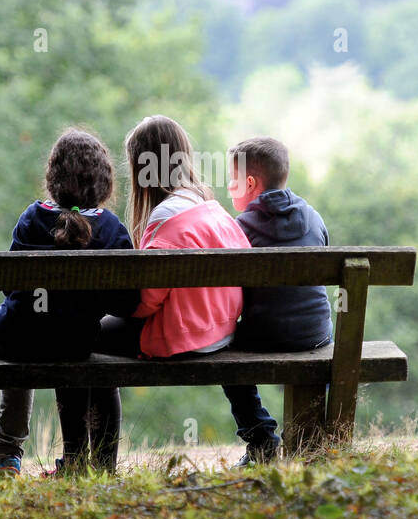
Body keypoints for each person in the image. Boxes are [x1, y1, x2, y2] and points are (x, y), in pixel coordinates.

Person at [0, 128, 139, 476]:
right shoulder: (111, 228)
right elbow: (126, 300)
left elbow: (9, 289)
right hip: (75, 341)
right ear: (103, 181)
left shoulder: (33, 217)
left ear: (53, 175)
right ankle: (92, 463)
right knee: (43, 335)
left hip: (19, 334)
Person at [94, 116, 252, 465]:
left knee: (84, 337)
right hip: (222, 332)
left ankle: (98, 458)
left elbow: (147, 303)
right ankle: (260, 434)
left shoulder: (164, 217)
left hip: (181, 337)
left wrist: (113, 305)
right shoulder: (209, 205)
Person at [225, 136, 334, 463]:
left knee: (219, 349)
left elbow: (232, 294)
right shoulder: (313, 217)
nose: (229, 187)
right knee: (315, 329)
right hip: (314, 335)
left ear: (250, 183)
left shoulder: (239, 228)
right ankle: (310, 434)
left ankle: (260, 437)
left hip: (262, 337)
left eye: (232, 180)